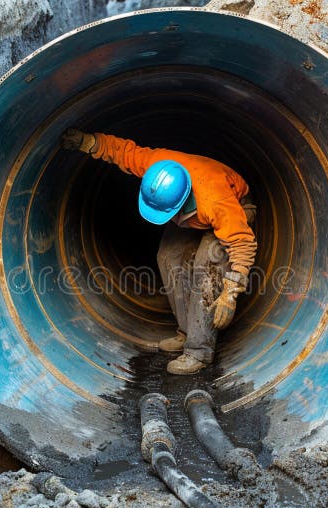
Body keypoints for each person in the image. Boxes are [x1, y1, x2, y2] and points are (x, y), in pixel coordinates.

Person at [61, 129, 257, 375]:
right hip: (191, 215)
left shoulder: (215, 201)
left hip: (236, 207)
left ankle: (199, 352)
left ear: (183, 201)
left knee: (207, 265)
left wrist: (230, 293)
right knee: (168, 256)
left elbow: (242, 243)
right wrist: (88, 142)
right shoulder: (158, 166)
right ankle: (186, 332)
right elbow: (124, 152)